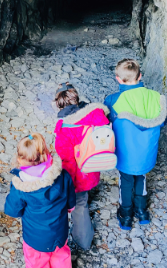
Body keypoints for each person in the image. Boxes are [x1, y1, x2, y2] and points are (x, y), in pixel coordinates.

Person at [104, 58, 167, 230]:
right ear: (140, 76)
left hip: (125, 153)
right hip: (146, 153)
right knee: (141, 176)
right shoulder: (156, 97)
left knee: (126, 180)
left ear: (118, 78)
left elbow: (105, 122)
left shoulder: (113, 100)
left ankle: (126, 215)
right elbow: (163, 122)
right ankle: (142, 212)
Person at [4, 132, 76, 267]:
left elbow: (12, 211)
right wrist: (70, 207)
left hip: (35, 240)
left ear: (20, 160)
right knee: (62, 259)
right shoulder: (62, 175)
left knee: (37, 263)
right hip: (60, 234)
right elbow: (71, 200)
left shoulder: (21, 186)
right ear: (45, 154)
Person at [53, 85, 111, 251]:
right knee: (84, 197)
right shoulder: (95, 114)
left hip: (77, 177)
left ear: (59, 105)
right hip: (93, 167)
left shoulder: (64, 129)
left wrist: (67, 185)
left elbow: (67, 160)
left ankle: (84, 241)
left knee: (80, 205)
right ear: (76, 99)